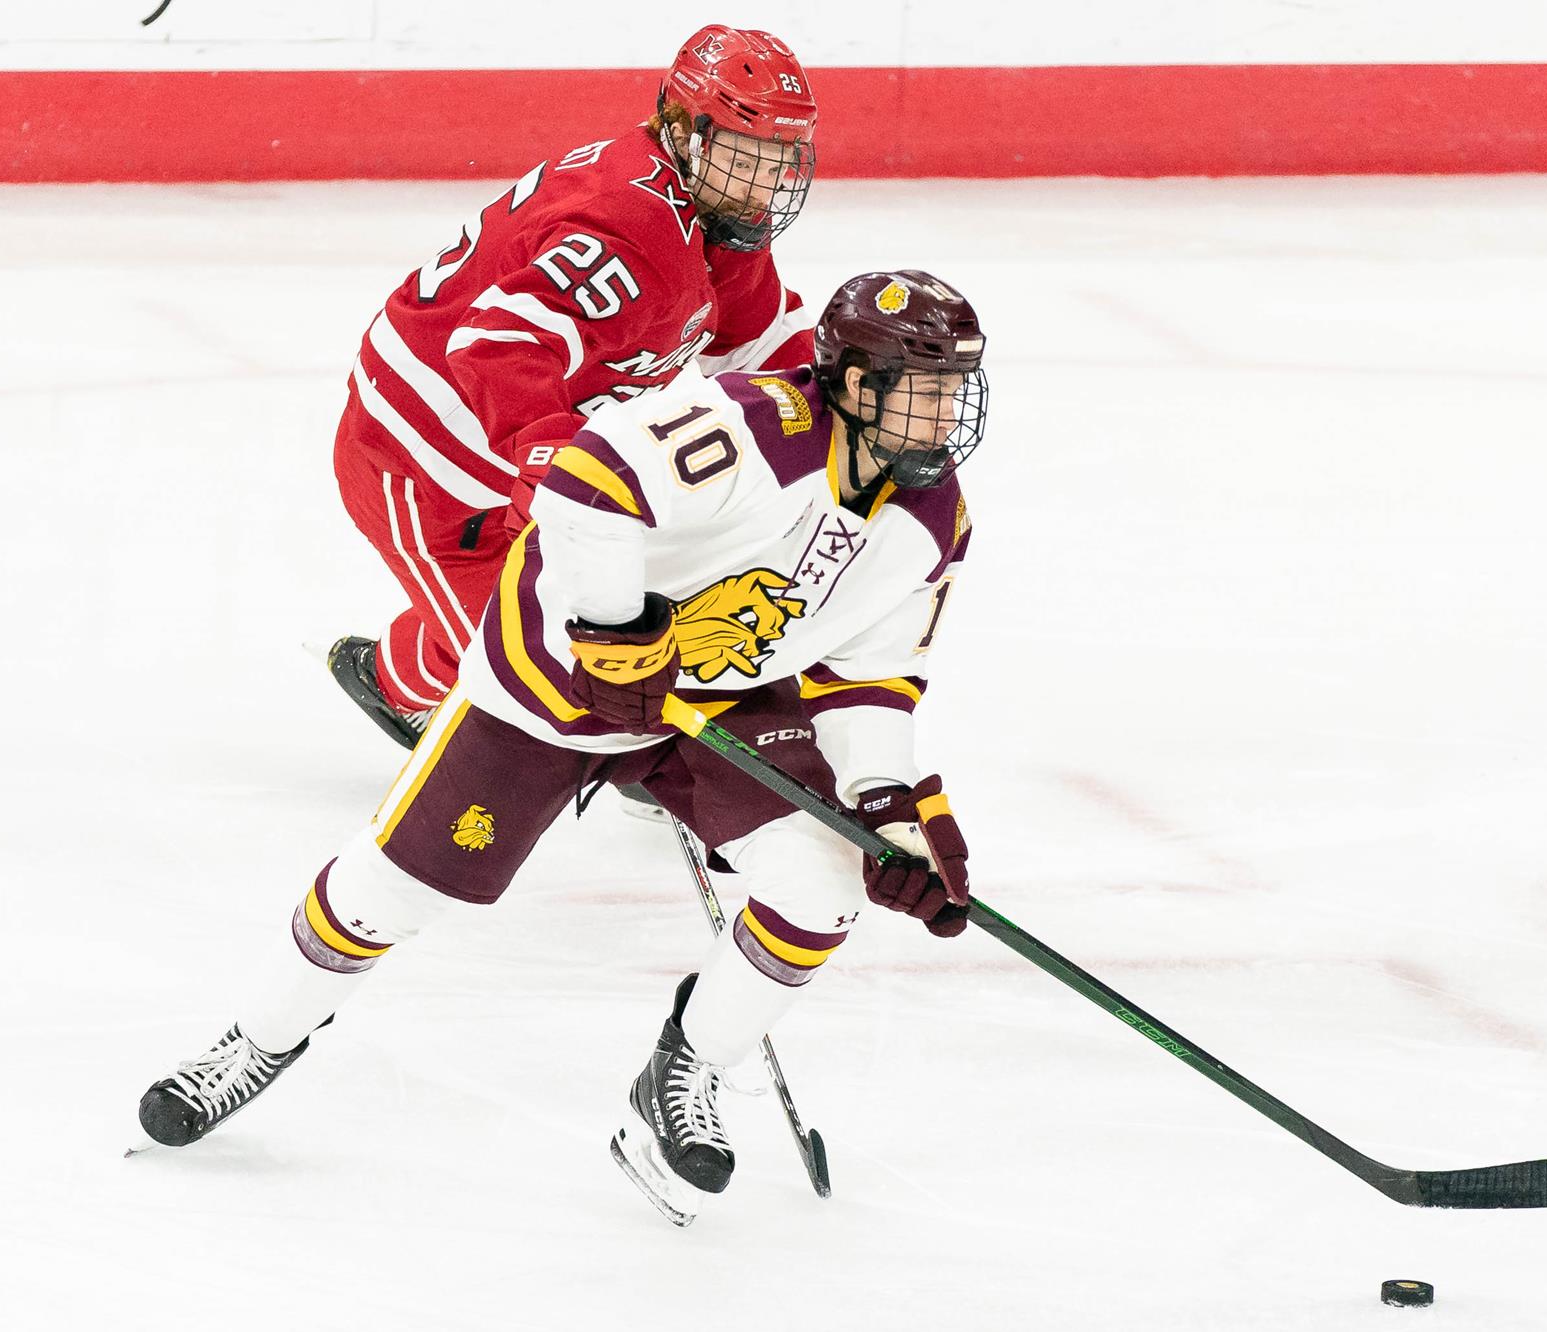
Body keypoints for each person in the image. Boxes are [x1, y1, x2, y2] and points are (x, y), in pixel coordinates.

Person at [139, 270, 989, 1226]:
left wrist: (887, 808)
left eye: (954, 388)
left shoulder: (933, 523)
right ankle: (257, 1039)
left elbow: (868, 681)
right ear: (852, 381)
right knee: (393, 889)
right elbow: (587, 483)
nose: (945, 413)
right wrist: (615, 630)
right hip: (550, 685)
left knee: (824, 882)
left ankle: (687, 1067)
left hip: (721, 701)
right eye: (924, 388)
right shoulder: (756, 429)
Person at [326, 24, 820, 749]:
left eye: (782, 159)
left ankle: (404, 670)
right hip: (421, 464)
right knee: (540, 685)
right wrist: (552, 464)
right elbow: (497, 342)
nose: (767, 183)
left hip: (507, 447)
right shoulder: (635, 228)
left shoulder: (716, 214)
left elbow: (760, 339)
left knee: (569, 625)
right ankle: (420, 678)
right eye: (749, 157)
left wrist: (837, 415)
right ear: (686, 133)